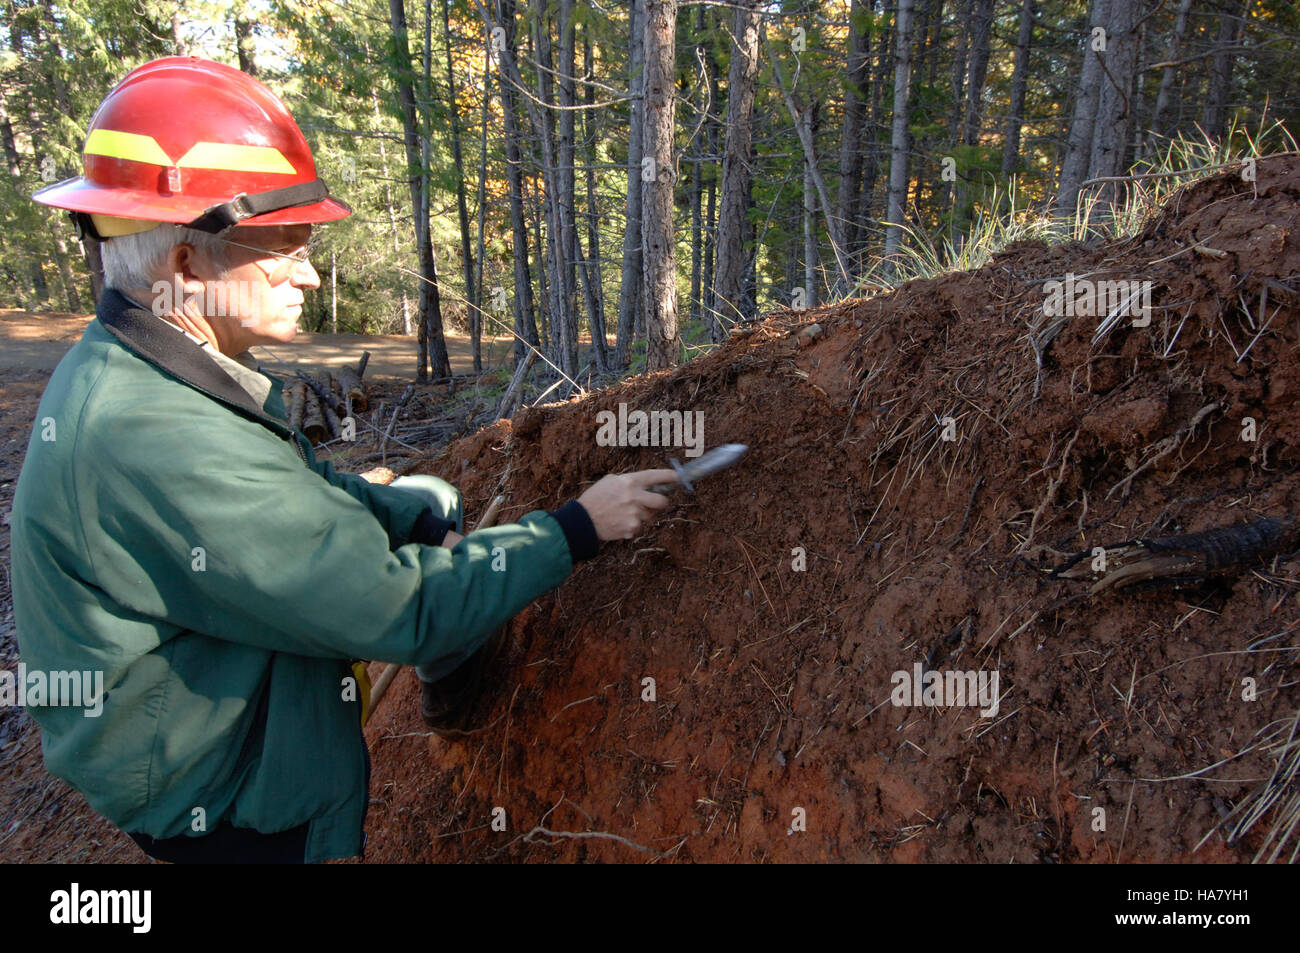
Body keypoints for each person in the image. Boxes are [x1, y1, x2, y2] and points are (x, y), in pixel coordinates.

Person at [9, 57, 674, 864]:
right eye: (286, 246)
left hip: (184, 721)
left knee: (426, 499)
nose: (311, 273)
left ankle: (455, 695)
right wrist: (575, 527)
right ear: (186, 267)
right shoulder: (156, 434)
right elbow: (394, 607)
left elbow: (291, 489)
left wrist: (408, 515)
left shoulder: (153, 364)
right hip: (222, 797)